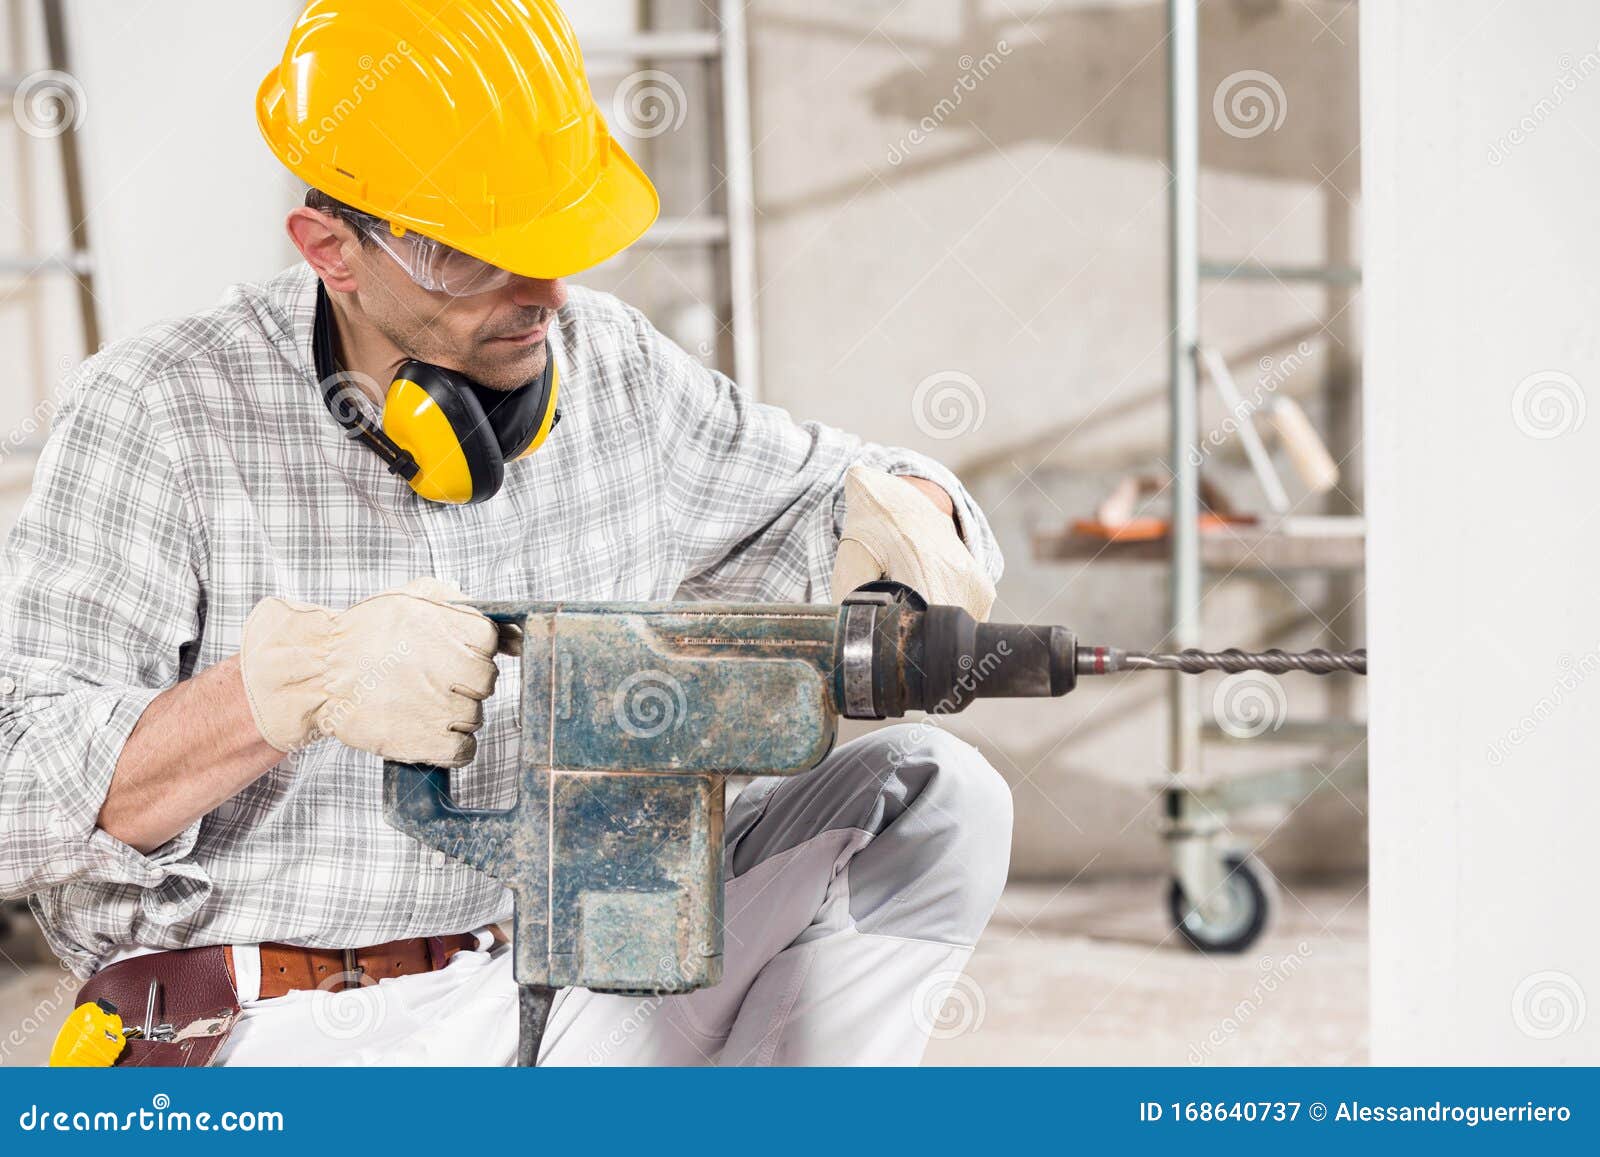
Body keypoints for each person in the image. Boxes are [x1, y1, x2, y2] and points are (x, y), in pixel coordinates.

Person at [0, 0, 1011, 1066]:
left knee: (933, 800)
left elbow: (836, 494)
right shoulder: (161, 407)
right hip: (275, 1024)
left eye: (552, 237)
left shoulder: (611, 367)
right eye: (474, 253)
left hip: (555, 980)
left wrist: (917, 513)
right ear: (331, 249)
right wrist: (285, 689)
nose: (541, 292)